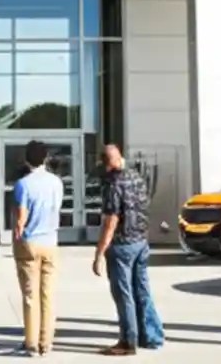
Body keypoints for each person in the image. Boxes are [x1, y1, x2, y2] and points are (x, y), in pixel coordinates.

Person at [92, 144, 164, 356]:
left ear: (106, 163)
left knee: (123, 293)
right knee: (142, 290)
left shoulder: (114, 184)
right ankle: (152, 336)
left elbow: (111, 221)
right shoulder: (136, 177)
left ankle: (128, 340)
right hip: (141, 241)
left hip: (122, 244)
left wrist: (99, 253)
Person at [12, 140, 64, 357]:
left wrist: (17, 231)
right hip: (51, 240)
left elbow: (21, 216)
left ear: (27, 159)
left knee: (30, 295)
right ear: (45, 159)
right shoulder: (56, 183)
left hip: (30, 241)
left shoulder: (23, 184)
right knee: (47, 294)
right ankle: (46, 342)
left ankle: (31, 343)